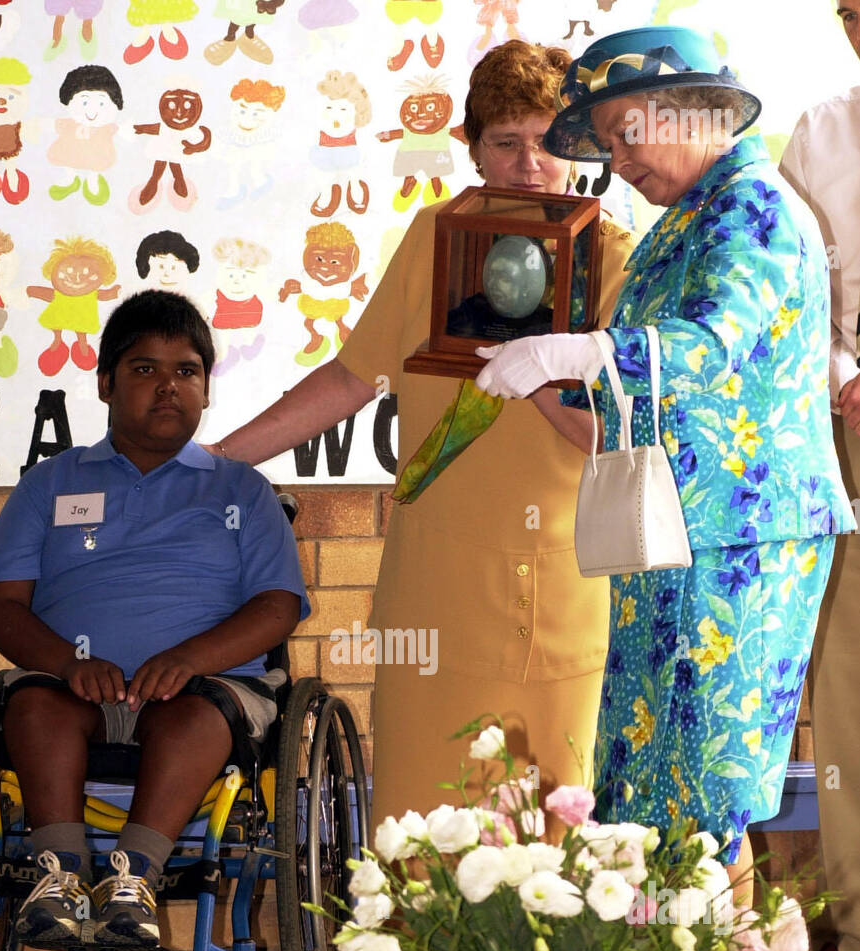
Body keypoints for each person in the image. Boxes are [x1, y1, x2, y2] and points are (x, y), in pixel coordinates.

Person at [475, 26, 856, 951]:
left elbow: (712, 343)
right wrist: (562, 383)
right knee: (654, 780)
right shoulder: (690, 211)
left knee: (703, 784)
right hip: (676, 531)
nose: (617, 163)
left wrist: (577, 351)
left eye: (624, 134)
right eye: (603, 141)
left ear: (690, 112)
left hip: (736, 539)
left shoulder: (750, 209)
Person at [215, 40, 633, 829]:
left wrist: (538, 378)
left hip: (566, 589)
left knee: (562, 834)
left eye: (547, 141)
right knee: (422, 825)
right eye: (504, 142)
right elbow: (352, 378)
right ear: (472, 147)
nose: (528, 163)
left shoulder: (612, 255)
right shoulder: (432, 239)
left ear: (578, 147)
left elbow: (618, 438)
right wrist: (213, 462)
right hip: (436, 593)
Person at [0, 290, 309, 951]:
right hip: (71, 689)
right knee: (33, 705)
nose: (168, 387)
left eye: (186, 371)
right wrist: (68, 664)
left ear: (207, 390)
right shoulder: (49, 484)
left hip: (206, 694)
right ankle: (60, 878)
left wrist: (190, 660)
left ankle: (133, 882)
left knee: (194, 711)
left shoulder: (241, 489)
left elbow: (278, 606)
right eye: (144, 369)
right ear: (105, 383)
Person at [773, 4, 860, 951]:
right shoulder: (816, 134)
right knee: (842, 675)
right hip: (845, 424)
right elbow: (798, 290)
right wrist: (839, 370)